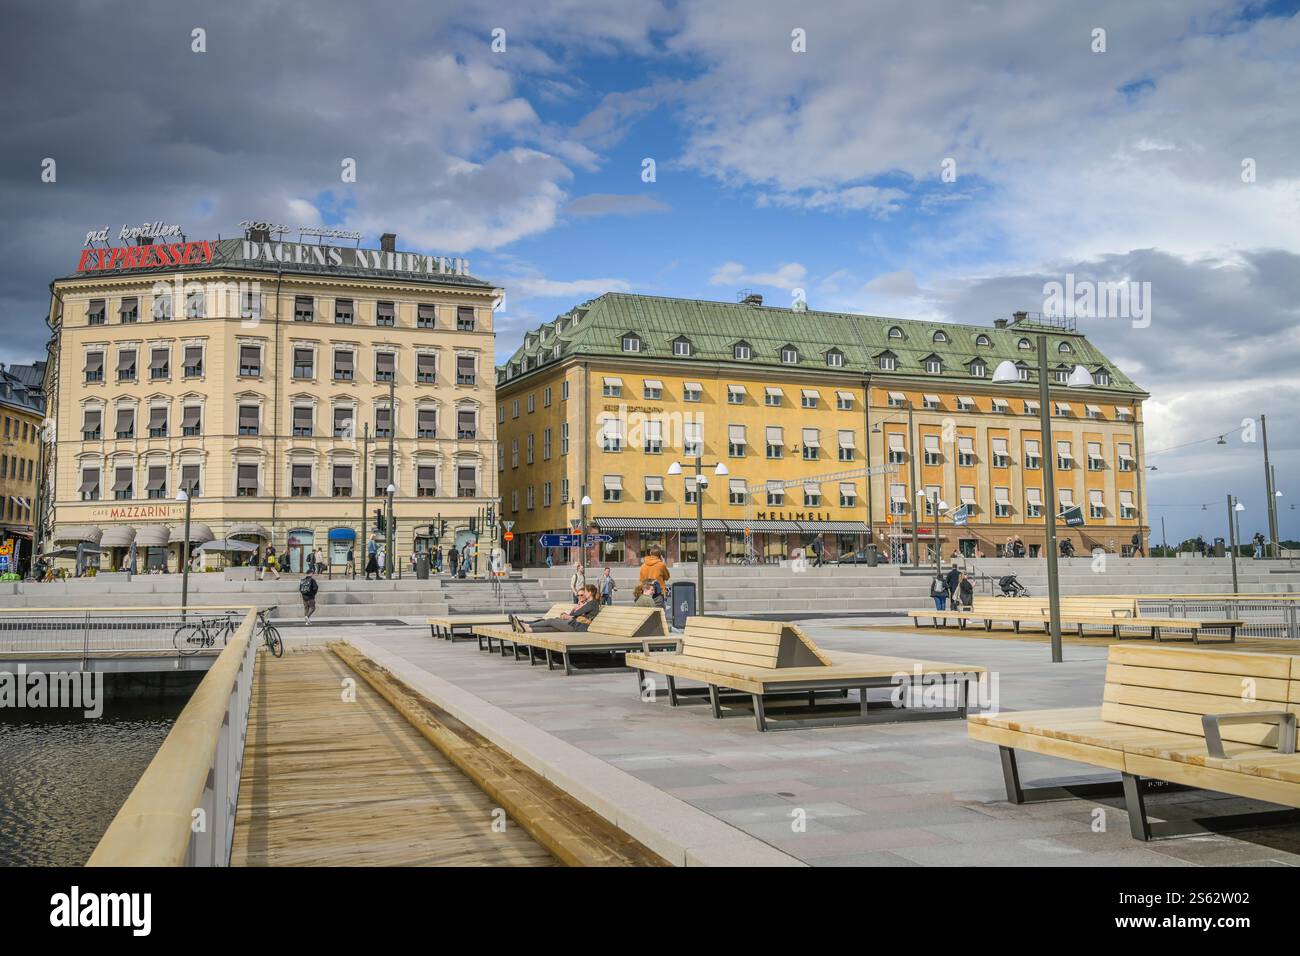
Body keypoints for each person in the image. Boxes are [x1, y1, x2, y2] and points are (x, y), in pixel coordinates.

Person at [512, 585, 600, 633]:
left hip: (579, 627)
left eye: (585, 592)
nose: (584, 594)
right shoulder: (591, 603)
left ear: (590, 593)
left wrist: (574, 611)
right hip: (577, 625)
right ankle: (528, 630)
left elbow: (575, 614)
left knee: (551, 621)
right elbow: (576, 613)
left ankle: (527, 625)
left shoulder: (592, 603)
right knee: (552, 627)